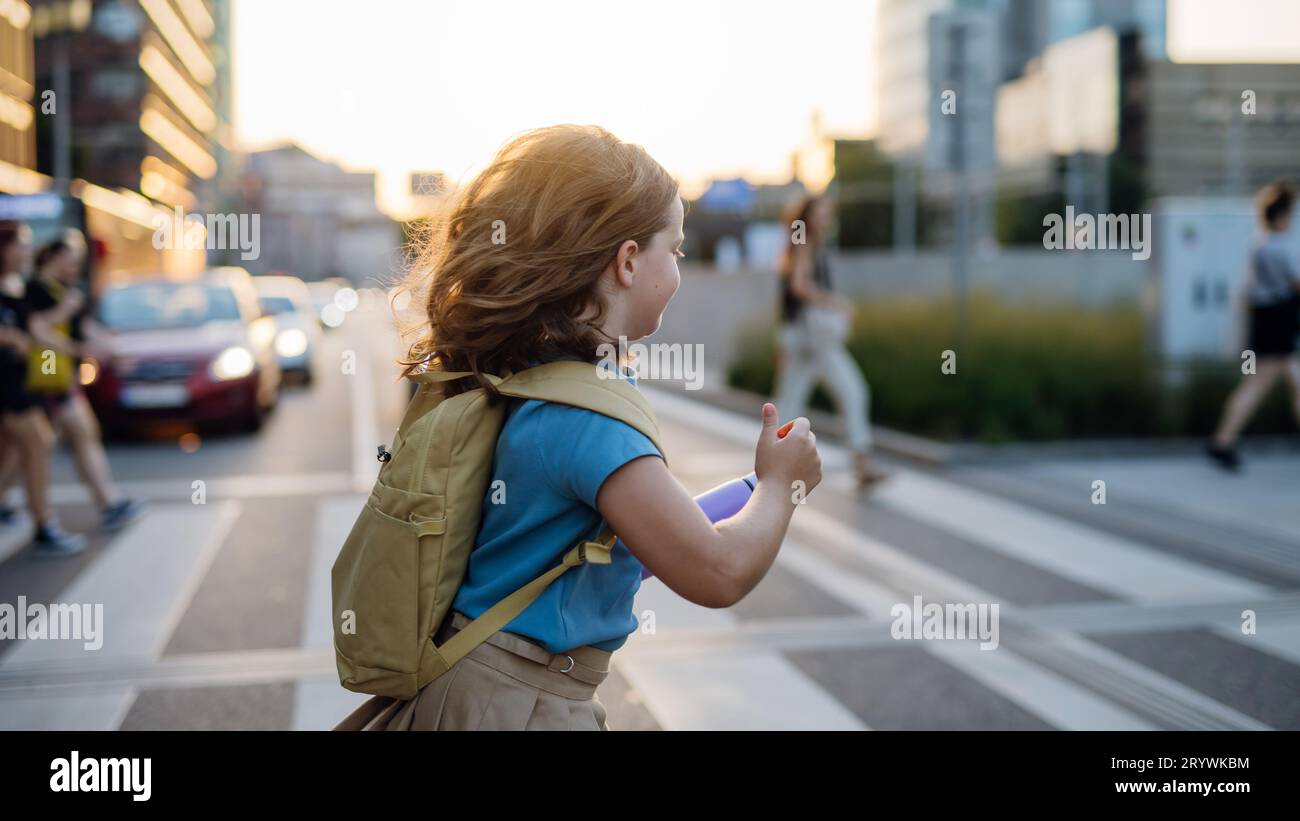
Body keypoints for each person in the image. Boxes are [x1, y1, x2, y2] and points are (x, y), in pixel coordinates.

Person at [342, 125, 822, 730]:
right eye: (672, 251)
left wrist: (744, 494)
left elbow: (599, 544)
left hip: (475, 683)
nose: (677, 267)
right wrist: (782, 488)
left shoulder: (527, 377)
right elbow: (717, 571)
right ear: (626, 261)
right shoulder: (590, 418)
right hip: (519, 706)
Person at [0, 232, 140, 530]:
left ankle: (104, 501)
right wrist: (77, 344)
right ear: (52, 257)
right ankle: (105, 502)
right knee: (55, 438)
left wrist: (108, 348)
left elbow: (78, 328)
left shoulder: (61, 288)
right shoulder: (34, 288)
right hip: (48, 370)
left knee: (23, 447)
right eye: (70, 260)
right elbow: (40, 333)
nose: (75, 267)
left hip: (55, 369)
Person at [773, 193, 887, 490]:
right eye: (823, 212)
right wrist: (836, 303)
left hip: (803, 338)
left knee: (791, 403)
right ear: (809, 216)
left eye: (829, 211)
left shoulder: (801, 243)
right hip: (814, 339)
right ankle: (861, 464)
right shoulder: (805, 243)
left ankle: (773, 469)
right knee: (852, 391)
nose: (828, 217)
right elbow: (799, 286)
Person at [0, 221, 84, 555]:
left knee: (10, 452)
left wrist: (76, 351)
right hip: (6, 383)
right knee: (40, 441)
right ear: (4, 248)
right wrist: (11, 337)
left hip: (19, 378)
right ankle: (44, 524)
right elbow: (26, 332)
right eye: (21, 244)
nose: (27, 251)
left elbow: (37, 330)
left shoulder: (16, 285)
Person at [1207, 180, 1300, 471]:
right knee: (1260, 384)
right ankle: (1222, 441)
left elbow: (1247, 290)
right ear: (1282, 215)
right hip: (1280, 325)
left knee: (1276, 382)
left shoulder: (1257, 244)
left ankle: (1222, 441)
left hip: (1263, 323)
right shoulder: (1280, 248)